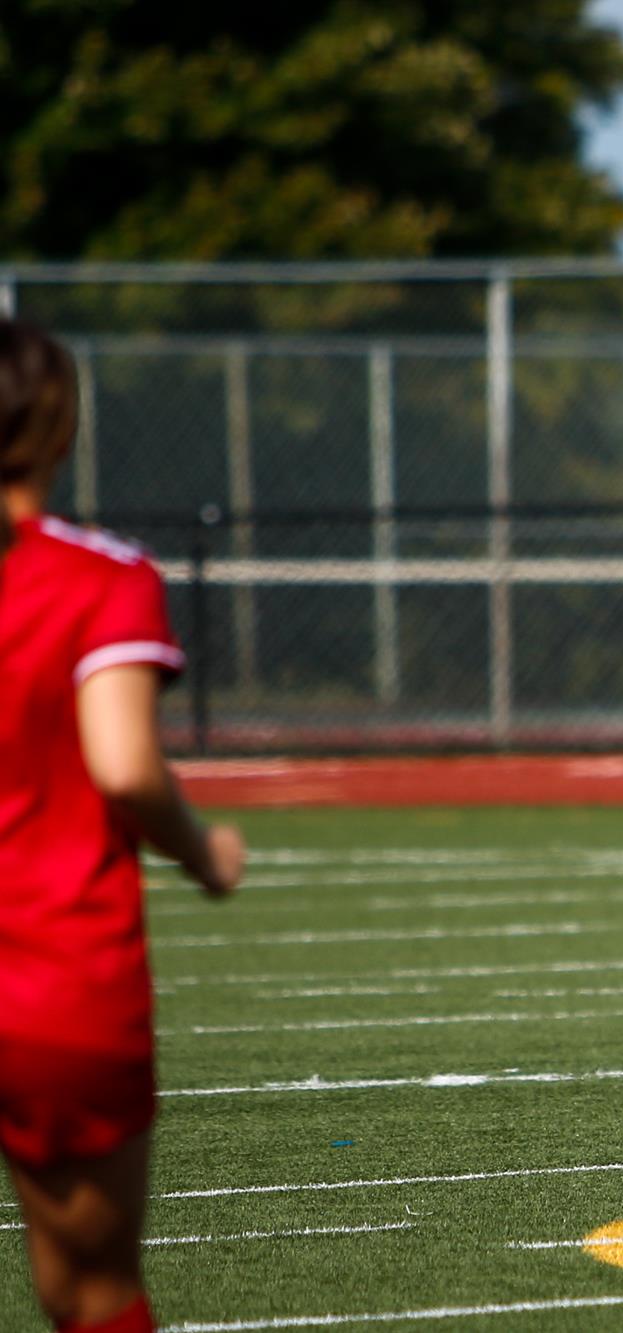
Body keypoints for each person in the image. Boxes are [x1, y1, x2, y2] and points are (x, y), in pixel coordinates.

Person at [0, 318, 246, 1333]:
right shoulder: (100, 576)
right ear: (61, 432)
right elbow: (125, 764)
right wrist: (205, 852)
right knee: (90, 1290)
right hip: (52, 970)